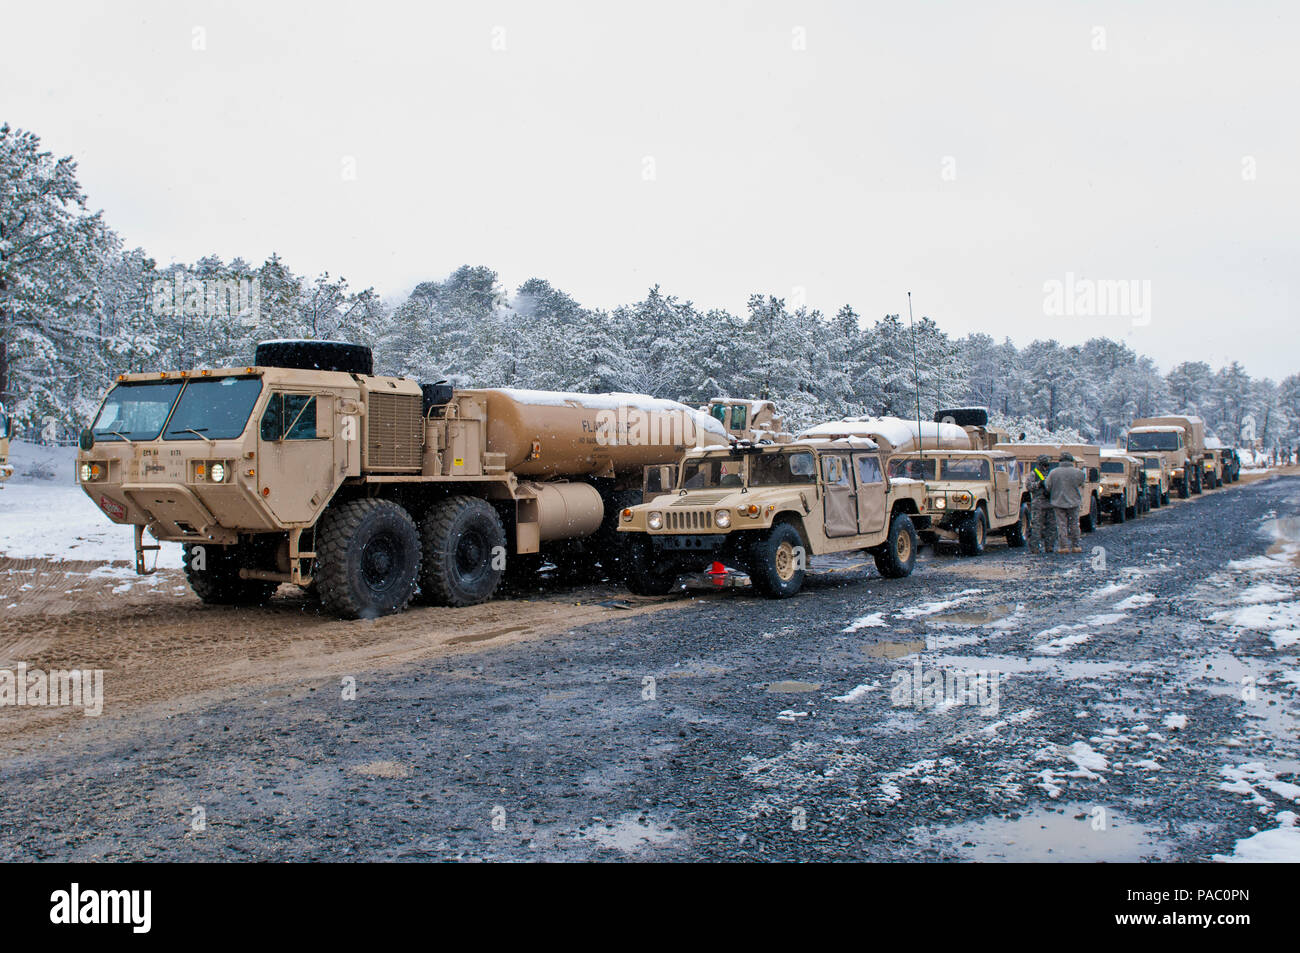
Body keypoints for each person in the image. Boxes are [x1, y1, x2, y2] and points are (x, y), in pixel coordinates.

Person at [1045, 451, 1086, 554]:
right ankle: (1075, 546)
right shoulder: (1078, 472)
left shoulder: (1053, 472)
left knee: (1061, 525)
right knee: (1074, 524)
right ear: (1071, 460)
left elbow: (1048, 486)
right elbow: (1081, 483)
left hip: (1058, 502)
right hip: (1074, 502)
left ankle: (1063, 547)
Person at [1027, 454, 1055, 555]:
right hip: (1038, 504)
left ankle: (1050, 546)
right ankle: (1034, 548)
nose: (1046, 466)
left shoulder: (1051, 474)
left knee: (1051, 527)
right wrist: (1039, 484)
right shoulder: (1034, 474)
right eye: (1045, 464)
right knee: (1036, 527)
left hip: (1050, 503)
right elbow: (1029, 486)